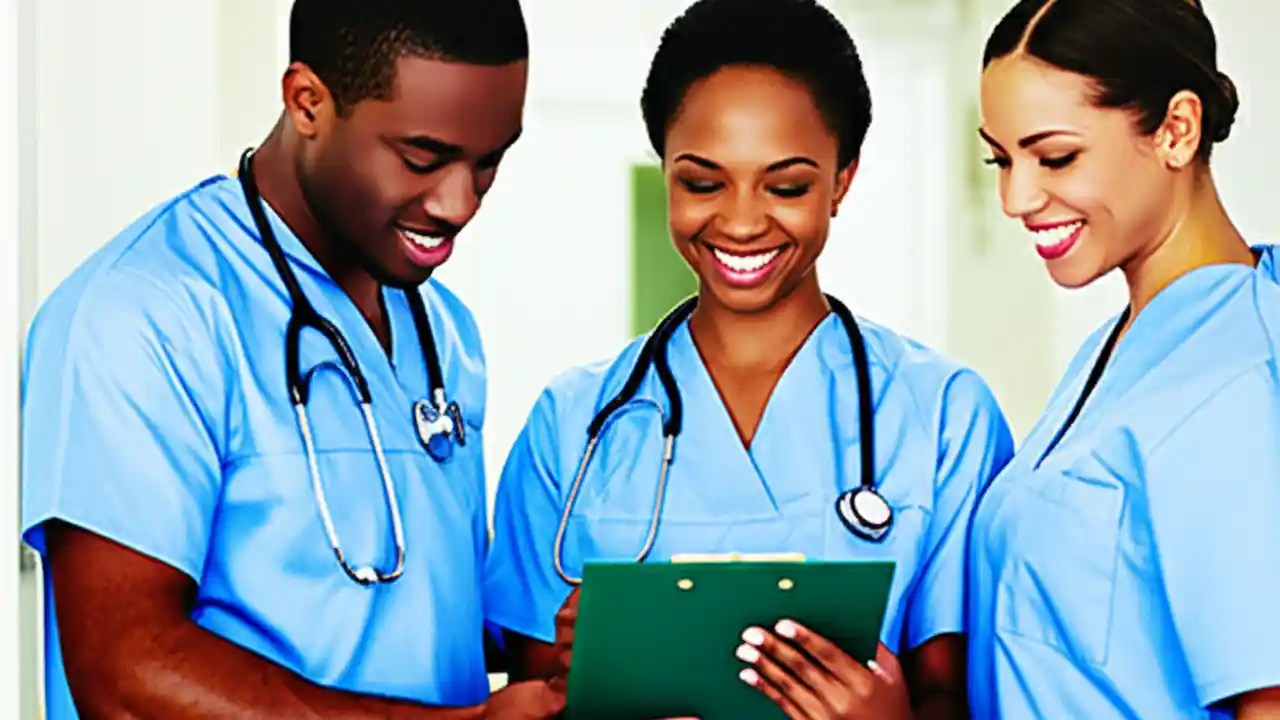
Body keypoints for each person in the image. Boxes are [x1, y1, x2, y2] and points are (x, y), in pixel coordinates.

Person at [19, 1, 565, 718]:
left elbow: (412, 616)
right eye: (422, 159)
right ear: (308, 102)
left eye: (489, 160)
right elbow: (123, 675)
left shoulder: (444, 332)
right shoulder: (143, 314)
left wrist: (572, 640)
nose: (459, 204)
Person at [482, 0, 1015, 717]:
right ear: (665, 170)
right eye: (702, 183)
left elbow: (955, 694)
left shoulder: (944, 416)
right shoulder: (573, 425)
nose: (739, 222)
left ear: (843, 178)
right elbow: (536, 697)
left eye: (787, 186)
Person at [969, 1, 1280, 718]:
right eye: (1001, 160)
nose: (1016, 198)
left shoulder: (1236, 376)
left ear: (1177, 130)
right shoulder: (1124, 347)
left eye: (1055, 157)